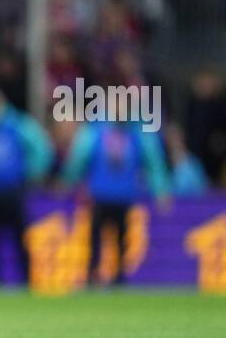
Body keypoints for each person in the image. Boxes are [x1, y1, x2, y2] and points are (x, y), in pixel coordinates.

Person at [61, 116, 171, 285]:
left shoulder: (137, 132)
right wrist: (69, 180)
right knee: (95, 240)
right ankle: (92, 276)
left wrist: (160, 190)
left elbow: (153, 162)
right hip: (100, 196)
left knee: (121, 240)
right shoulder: (97, 131)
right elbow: (79, 158)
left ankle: (119, 278)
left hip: (123, 197)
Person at [0, 83, 53, 284]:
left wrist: (31, 173)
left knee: (20, 238)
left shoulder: (18, 123)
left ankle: (27, 280)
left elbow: (42, 149)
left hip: (13, 191)